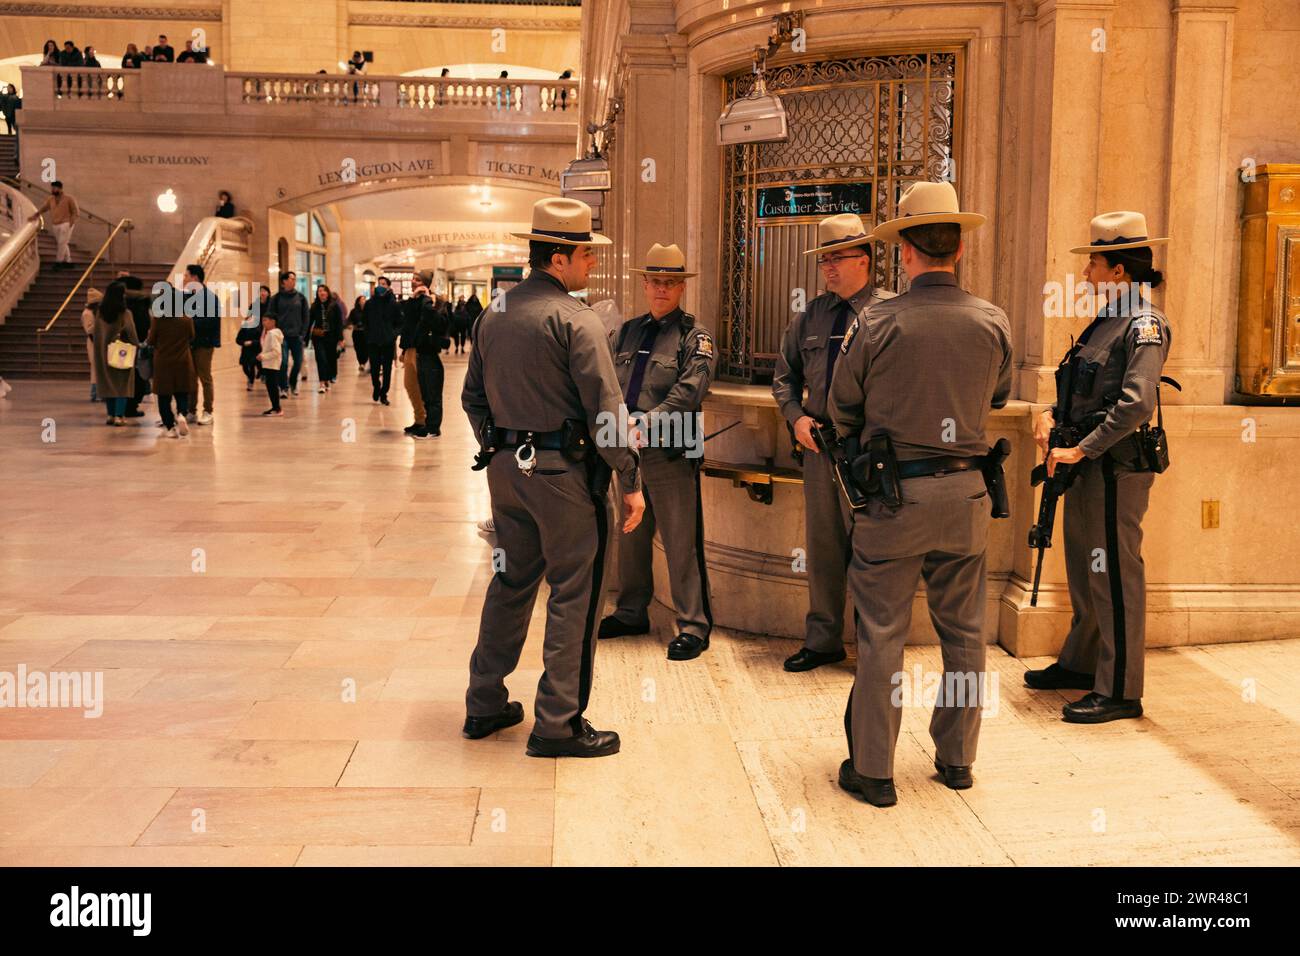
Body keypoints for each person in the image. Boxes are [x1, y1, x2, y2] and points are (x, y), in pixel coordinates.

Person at [829, 181, 1012, 807]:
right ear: (958, 248)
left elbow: (840, 406)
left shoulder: (876, 321)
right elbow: (998, 396)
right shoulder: (992, 321)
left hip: (893, 497)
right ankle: (957, 759)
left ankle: (875, 772)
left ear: (905, 251)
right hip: (966, 494)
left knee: (882, 633)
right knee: (965, 635)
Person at [462, 196, 644, 758]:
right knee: (574, 591)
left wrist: (502, 445)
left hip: (505, 472)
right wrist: (631, 481)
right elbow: (607, 414)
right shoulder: (576, 319)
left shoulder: (492, 314)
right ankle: (558, 723)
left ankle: (484, 703)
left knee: (511, 583)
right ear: (560, 258)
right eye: (586, 254)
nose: (591, 263)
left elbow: (472, 398)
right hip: (564, 477)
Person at [1023, 212, 1173, 724]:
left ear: (1119, 270)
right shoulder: (1106, 320)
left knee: (1115, 575)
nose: (1085, 271)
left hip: (1115, 468)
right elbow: (1082, 389)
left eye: (1094, 261)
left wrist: (1082, 449)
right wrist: (1048, 415)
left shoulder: (1144, 324)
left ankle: (1121, 691)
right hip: (1086, 464)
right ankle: (1084, 664)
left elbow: (1135, 405)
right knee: (1088, 570)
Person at [771, 213, 897, 673]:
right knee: (822, 550)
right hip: (821, 450)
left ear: (863, 259)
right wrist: (796, 418)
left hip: (869, 454)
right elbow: (784, 378)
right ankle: (823, 639)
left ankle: (872, 649)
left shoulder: (888, 312)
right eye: (823, 260)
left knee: (872, 554)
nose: (826, 268)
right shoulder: (812, 315)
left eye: (835, 258)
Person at [600, 243, 716, 661]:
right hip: (628, 451)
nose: (662, 289)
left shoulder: (694, 335)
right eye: (655, 281)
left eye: (671, 282)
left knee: (681, 540)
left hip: (672, 448)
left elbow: (690, 390)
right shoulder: (627, 331)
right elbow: (609, 382)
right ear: (645, 284)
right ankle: (631, 611)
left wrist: (646, 421)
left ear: (681, 287)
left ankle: (693, 625)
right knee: (631, 536)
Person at [147, 286, 196, 439]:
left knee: (164, 396)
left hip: (163, 362)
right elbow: (192, 337)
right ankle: (181, 414)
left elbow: (151, 340)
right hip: (183, 361)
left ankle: (169, 427)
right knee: (182, 392)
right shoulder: (186, 319)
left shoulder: (159, 320)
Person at [91, 281, 138, 426]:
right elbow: (131, 333)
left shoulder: (100, 312)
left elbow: (95, 333)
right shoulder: (125, 313)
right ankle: (119, 416)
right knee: (121, 386)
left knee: (108, 384)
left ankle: (110, 415)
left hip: (103, 354)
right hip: (121, 353)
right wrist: (137, 345)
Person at [183, 263, 220, 424]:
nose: (184, 279)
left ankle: (208, 411)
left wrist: (189, 322)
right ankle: (191, 410)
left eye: (186, 276)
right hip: (189, 343)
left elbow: (211, 321)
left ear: (195, 278)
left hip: (204, 343)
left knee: (205, 377)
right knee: (190, 378)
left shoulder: (210, 297)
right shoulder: (185, 297)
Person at [413, 280, 449, 439]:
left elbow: (438, 323)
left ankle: (433, 428)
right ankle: (429, 425)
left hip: (431, 359)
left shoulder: (439, 313)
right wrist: (416, 298)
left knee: (433, 395)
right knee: (426, 395)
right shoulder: (424, 311)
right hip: (422, 356)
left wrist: (427, 300)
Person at [266, 270, 308, 396]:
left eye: (295, 279)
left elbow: (306, 317)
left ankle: (293, 383)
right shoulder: (276, 298)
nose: (293, 281)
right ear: (284, 281)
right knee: (283, 362)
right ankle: (283, 387)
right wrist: (272, 333)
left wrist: (303, 334)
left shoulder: (301, 298)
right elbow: (270, 316)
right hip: (281, 336)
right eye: (291, 279)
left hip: (296, 336)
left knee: (298, 362)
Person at [398, 273, 429, 433]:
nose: (413, 282)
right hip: (410, 347)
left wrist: (426, 298)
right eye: (414, 279)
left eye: (418, 280)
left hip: (422, 349)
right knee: (409, 384)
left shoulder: (429, 301)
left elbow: (427, 320)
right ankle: (419, 419)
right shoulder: (413, 301)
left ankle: (427, 421)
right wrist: (403, 350)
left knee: (424, 386)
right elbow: (408, 322)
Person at [363, 276, 399, 404]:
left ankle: (384, 393)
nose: (380, 286)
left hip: (388, 342)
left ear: (388, 287)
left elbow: (399, 323)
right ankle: (376, 386)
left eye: (383, 284)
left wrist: (393, 334)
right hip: (373, 341)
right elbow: (365, 321)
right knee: (374, 368)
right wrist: (368, 335)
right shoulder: (369, 303)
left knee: (387, 369)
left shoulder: (393, 304)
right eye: (379, 283)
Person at [27, 180, 78, 270]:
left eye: (55, 188)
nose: (53, 190)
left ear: (60, 189)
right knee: (62, 243)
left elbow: (75, 211)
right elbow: (44, 208)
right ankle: (68, 261)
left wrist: (71, 222)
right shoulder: (51, 199)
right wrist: (35, 215)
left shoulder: (69, 198)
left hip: (66, 223)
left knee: (62, 242)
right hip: (55, 224)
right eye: (52, 188)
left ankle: (58, 262)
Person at [121, 274, 152, 418]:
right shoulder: (143, 302)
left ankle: (121, 407)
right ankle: (132, 405)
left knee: (123, 377)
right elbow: (146, 323)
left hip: (121, 346)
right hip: (138, 344)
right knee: (138, 376)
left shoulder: (121, 302)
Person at [308, 283, 343, 393]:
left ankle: (328, 379)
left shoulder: (334, 305)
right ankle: (322, 383)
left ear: (327, 293)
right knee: (321, 359)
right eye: (319, 291)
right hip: (318, 337)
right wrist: (306, 336)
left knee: (330, 359)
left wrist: (340, 339)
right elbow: (309, 322)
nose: (321, 293)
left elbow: (339, 323)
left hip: (331, 337)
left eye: (323, 290)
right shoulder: (314, 306)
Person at [236, 286, 268, 391]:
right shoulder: (254, 305)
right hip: (250, 342)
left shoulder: (271, 304)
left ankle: (257, 376)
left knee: (256, 361)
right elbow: (239, 338)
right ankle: (255, 376)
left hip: (263, 333)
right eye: (261, 291)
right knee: (247, 364)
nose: (262, 293)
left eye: (264, 291)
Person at [257, 313, 284, 416]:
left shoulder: (272, 334)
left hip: (272, 364)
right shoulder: (267, 333)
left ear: (273, 322)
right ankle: (275, 407)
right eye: (263, 320)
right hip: (268, 364)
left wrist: (263, 356)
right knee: (270, 386)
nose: (264, 322)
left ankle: (277, 409)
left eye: (266, 320)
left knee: (272, 387)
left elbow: (276, 351)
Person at [81, 287, 101, 401]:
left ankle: (98, 392)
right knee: (95, 367)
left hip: (97, 341)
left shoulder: (93, 313)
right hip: (93, 342)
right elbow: (89, 330)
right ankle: (95, 392)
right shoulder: (87, 314)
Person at [347, 294, 368, 371]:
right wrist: (350, 325)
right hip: (357, 333)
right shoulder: (354, 311)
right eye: (362, 299)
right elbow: (349, 320)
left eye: (365, 299)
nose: (364, 301)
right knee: (358, 348)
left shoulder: (368, 310)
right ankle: (361, 363)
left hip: (366, 333)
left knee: (366, 348)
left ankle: (364, 362)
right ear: (358, 301)